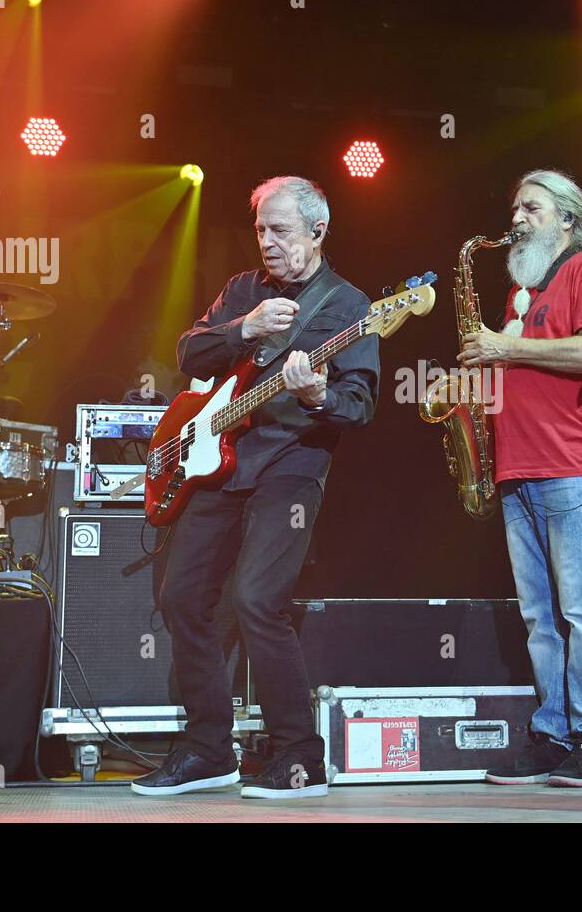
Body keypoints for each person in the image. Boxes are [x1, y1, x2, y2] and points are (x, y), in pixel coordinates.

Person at [131, 176, 379, 799]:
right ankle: (208, 749)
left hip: (291, 466)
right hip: (218, 463)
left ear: (317, 233)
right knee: (181, 599)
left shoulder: (349, 307)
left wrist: (317, 392)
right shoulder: (244, 291)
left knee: (256, 602)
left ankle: (299, 755)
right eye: (261, 229)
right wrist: (244, 328)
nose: (267, 242)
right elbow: (190, 354)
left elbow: (358, 403)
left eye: (281, 231)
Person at [459, 169, 582, 787]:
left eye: (533, 207)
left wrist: (505, 351)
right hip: (517, 469)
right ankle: (555, 733)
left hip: (571, 466)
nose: (519, 218)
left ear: (568, 218)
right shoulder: (519, 294)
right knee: (539, 615)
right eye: (516, 207)